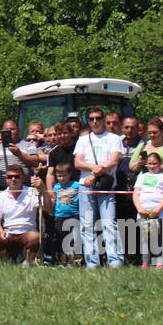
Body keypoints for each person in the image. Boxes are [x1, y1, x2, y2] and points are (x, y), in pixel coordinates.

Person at [73, 109, 123, 268]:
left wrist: (93, 174)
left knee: (109, 223)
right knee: (87, 225)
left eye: (98, 118)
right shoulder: (82, 139)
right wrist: (95, 168)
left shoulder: (114, 138)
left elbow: (114, 160)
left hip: (105, 186)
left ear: (103, 119)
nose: (95, 121)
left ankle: (115, 261)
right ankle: (92, 262)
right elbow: (78, 163)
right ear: (88, 121)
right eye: (91, 119)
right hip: (85, 186)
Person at [0, 168, 43, 264]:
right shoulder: (1, 196)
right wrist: (1, 232)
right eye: (10, 177)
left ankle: (29, 262)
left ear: (22, 178)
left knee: (36, 237)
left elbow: (48, 208)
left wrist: (43, 188)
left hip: (28, 232)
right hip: (8, 233)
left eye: (16, 177)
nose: (13, 179)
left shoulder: (32, 192)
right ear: (6, 179)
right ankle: (7, 261)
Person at [132, 151, 163, 268]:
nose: (152, 166)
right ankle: (145, 262)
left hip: (159, 212)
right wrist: (139, 208)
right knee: (145, 237)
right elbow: (136, 194)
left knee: (158, 237)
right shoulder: (142, 177)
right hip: (143, 212)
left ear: (160, 164)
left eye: (154, 163)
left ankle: (159, 262)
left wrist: (158, 209)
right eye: (149, 163)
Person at [47, 163, 82, 265]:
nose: (61, 178)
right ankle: (63, 259)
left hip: (74, 215)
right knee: (61, 238)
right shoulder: (56, 187)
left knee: (74, 238)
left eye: (64, 175)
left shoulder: (76, 185)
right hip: (60, 216)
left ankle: (74, 260)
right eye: (59, 176)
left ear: (70, 174)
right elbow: (54, 199)